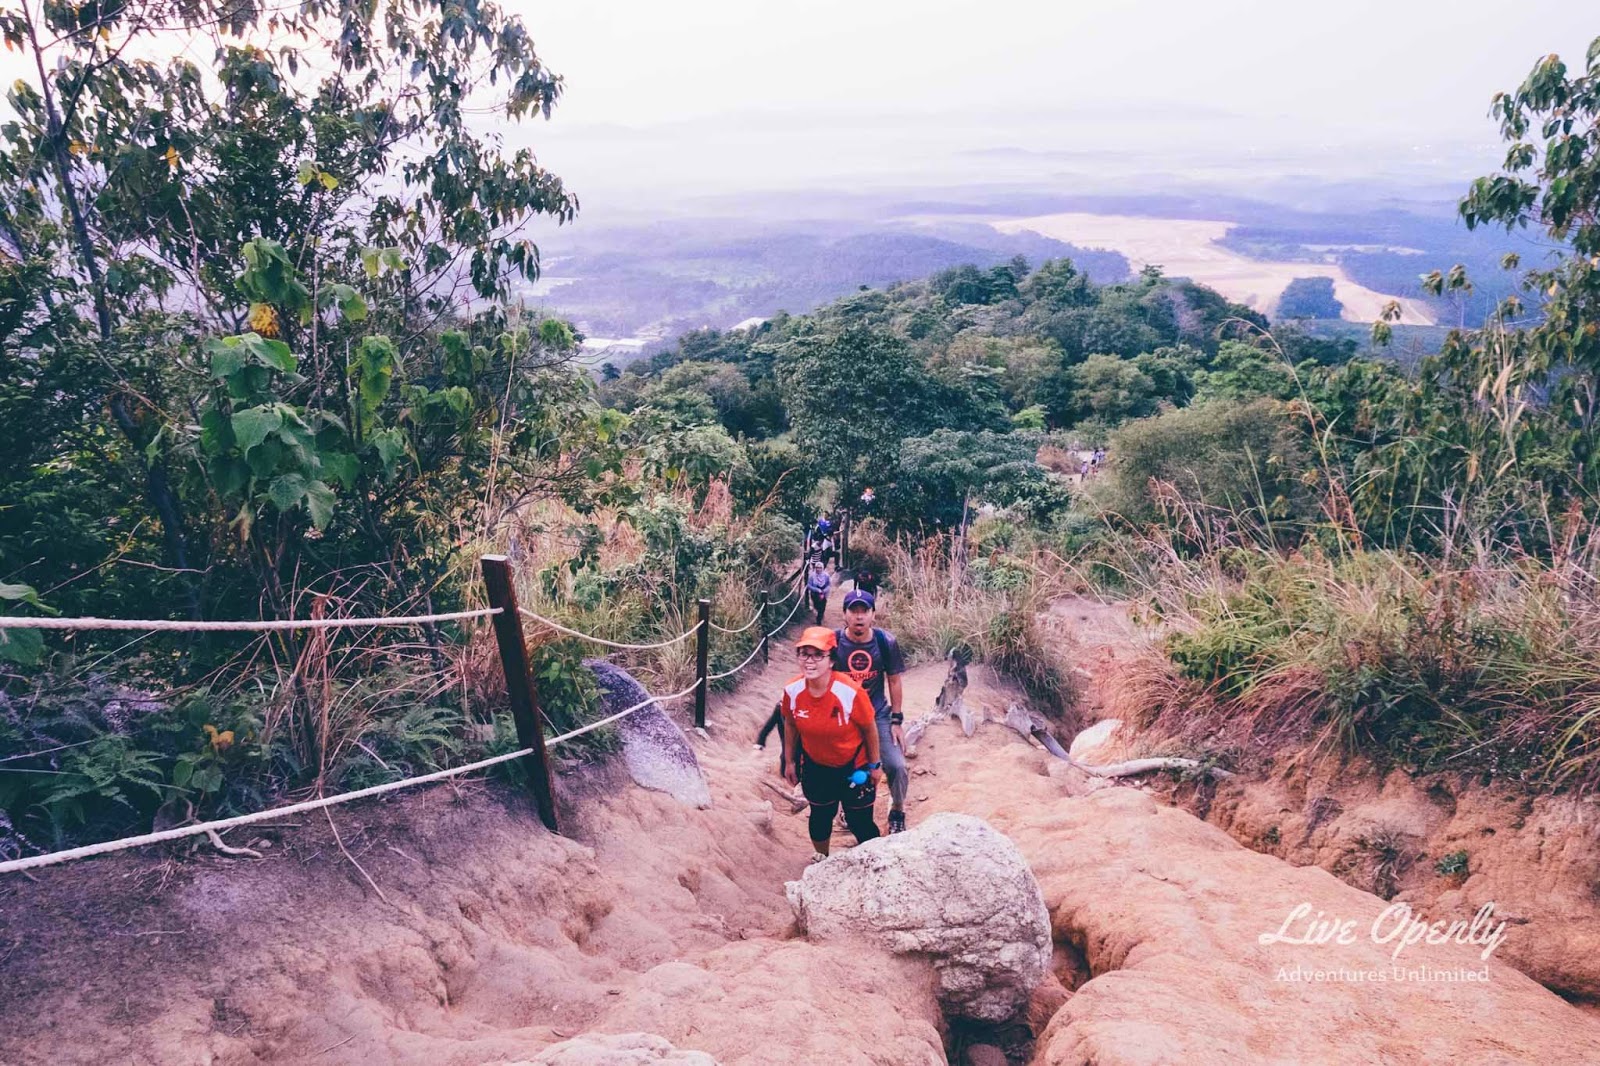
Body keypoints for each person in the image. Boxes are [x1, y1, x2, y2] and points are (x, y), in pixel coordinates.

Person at [780, 626, 882, 859]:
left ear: (832, 660)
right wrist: (789, 761)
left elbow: (869, 727)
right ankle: (823, 860)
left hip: (855, 765)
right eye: (804, 653)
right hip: (816, 765)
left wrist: (875, 765)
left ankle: (877, 861)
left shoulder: (850, 692)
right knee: (820, 816)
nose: (810, 661)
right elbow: (790, 723)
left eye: (818, 654)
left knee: (860, 821)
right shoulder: (792, 690)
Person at [831, 589, 910, 833]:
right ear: (844, 614)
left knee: (896, 766)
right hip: (844, 716)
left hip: (877, 714)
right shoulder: (833, 643)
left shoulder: (885, 642)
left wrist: (896, 721)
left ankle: (897, 810)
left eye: (864, 610)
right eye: (853, 611)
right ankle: (849, 807)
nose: (859, 616)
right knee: (844, 766)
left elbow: (894, 681)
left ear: (873, 615)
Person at [805, 559, 830, 625]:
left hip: (823, 593)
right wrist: (817, 590)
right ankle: (819, 615)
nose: (818, 569)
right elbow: (809, 585)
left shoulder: (826, 576)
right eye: (817, 568)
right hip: (815, 593)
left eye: (820, 568)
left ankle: (819, 620)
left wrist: (824, 591)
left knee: (822, 607)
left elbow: (829, 585)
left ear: (822, 568)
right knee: (817, 606)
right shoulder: (812, 576)